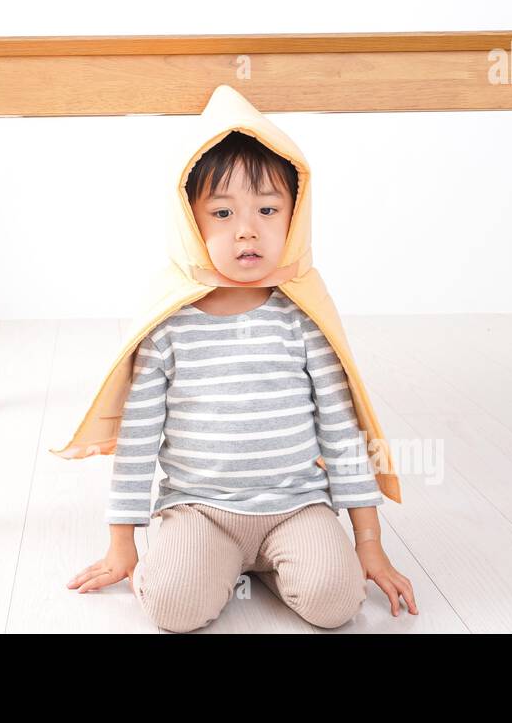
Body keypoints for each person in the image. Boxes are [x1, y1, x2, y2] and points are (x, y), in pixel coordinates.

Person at [55, 86, 417, 631]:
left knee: (337, 603)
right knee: (175, 611)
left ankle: (281, 560)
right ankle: (212, 561)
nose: (248, 228)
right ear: (190, 223)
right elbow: (138, 439)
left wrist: (369, 542)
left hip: (296, 506)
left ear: (294, 217)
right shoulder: (168, 327)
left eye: (268, 209)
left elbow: (342, 432)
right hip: (199, 509)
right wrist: (121, 544)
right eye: (222, 212)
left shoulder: (301, 318)